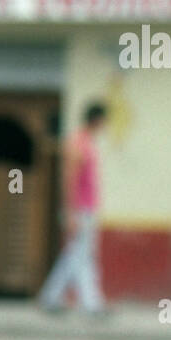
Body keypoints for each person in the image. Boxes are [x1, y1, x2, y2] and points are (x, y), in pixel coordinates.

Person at [39, 101, 109, 316]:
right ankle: (92, 304)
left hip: (86, 207)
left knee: (75, 254)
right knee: (83, 255)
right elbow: (69, 179)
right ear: (96, 120)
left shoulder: (87, 142)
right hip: (78, 209)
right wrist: (69, 212)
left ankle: (50, 297)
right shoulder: (77, 143)